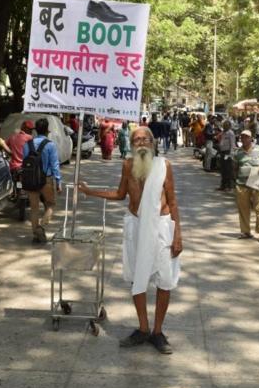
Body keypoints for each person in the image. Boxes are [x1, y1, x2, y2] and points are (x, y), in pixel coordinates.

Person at [78, 126, 183, 354]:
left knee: (164, 280)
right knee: (138, 278)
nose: (141, 142)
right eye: (137, 139)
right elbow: (119, 194)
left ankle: (158, 332)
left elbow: (173, 202)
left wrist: (178, 235)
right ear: (131, 144)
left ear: (153, 142)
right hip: (136, 226)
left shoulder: (163, 166)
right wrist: (90, 192)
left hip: (162, 228)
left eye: (146, 138)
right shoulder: (127, 165)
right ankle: (143, 328)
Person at [22, 118, 62, 243]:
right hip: (46, 179)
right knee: (50, 204)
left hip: (30, 180)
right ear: (47, 130)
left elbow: (24, 162)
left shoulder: (27, 145)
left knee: (34, 209)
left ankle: (35, 235)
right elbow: (55, 165)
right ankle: (41, 227)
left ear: (35, 130)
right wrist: (58, 182)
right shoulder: (50, 145)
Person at [234, 130, 259, 244]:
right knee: (243, 209)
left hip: (256, 182)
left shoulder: (258, 149)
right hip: (242, 184)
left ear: (251, 138)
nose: (244, 139)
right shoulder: (238, 152)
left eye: (246, 137)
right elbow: (234, 167)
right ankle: (245, 231)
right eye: (242, 137)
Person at [217, 120, 236, 191]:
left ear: (229, 126)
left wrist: (231, 154)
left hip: (228, 153)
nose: (224, 126)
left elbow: (232, 144)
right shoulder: (223, 133)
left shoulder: (231, 133)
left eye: (226, 125)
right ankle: (223, 185)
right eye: (224, 125)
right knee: (223, 169)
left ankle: (229, 186)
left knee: (228, 170)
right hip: (222, 152)